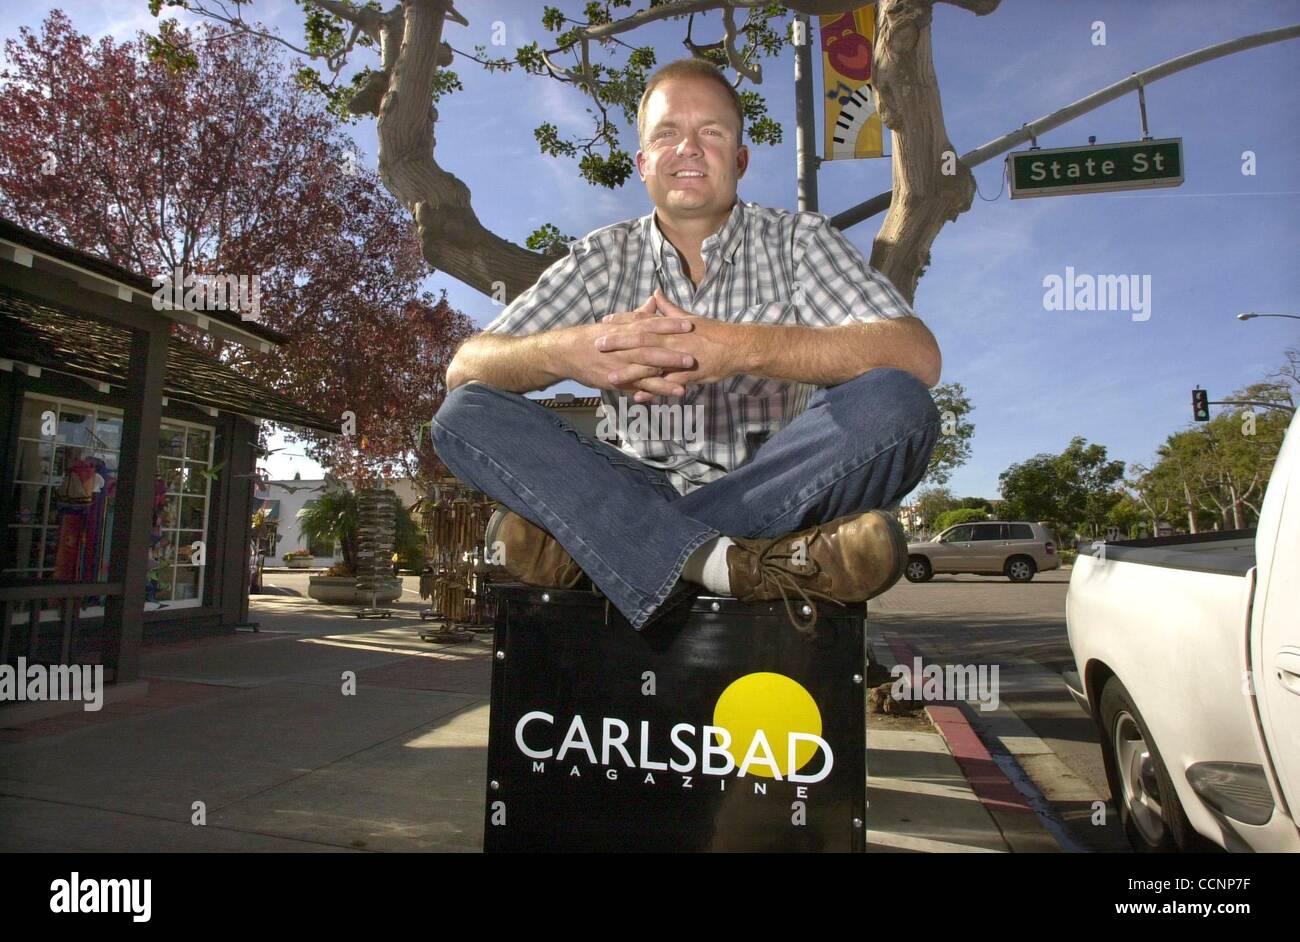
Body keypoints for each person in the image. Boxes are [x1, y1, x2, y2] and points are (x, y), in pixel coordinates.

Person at [431, 58, 941, 634]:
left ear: (741, 159)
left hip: (773, 491)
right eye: (667, 133)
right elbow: (464, 369)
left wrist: (739, 347)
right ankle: (728, 563)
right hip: (628, 482)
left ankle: (594, 554)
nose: (689, 148)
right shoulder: (603, 256)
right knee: (464, 413)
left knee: (899, 404)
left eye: (712, 132)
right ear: (644, 163)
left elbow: (917, 355)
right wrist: (565, 352)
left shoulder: (800, 240)